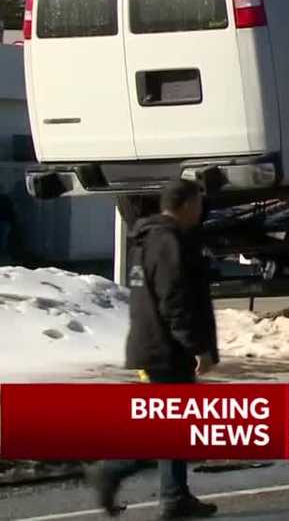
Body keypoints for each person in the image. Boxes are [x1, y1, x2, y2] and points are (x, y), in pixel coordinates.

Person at [87, 180, 219, 519]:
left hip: (154, 344)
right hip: (166, 348)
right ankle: (112, 471)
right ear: (187, 205)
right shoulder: (167, 241)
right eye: (199, 204)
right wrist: (197, 346)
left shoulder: (148, 239)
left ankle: (174, 496)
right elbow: (174, 299)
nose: (201, 211)